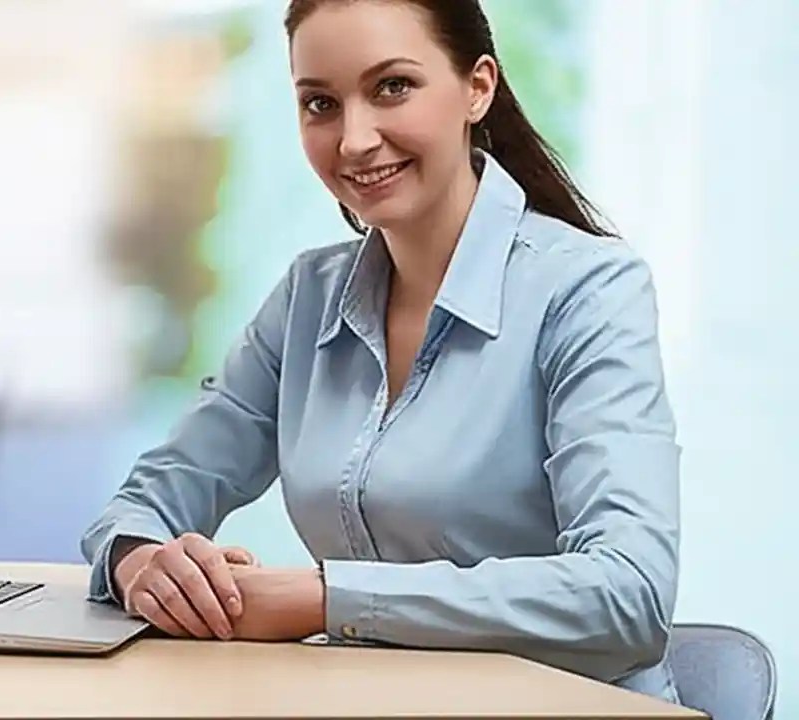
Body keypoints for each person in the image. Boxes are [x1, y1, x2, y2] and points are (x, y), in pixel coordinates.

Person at [80, 0, 681, 704]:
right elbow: (147, 499)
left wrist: (325, 597)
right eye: (320, 103)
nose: (354, 139)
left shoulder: (588, 291)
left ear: (477, 87)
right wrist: (141, 561)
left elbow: (629, 592)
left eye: (392, 86)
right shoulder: (308, 297)